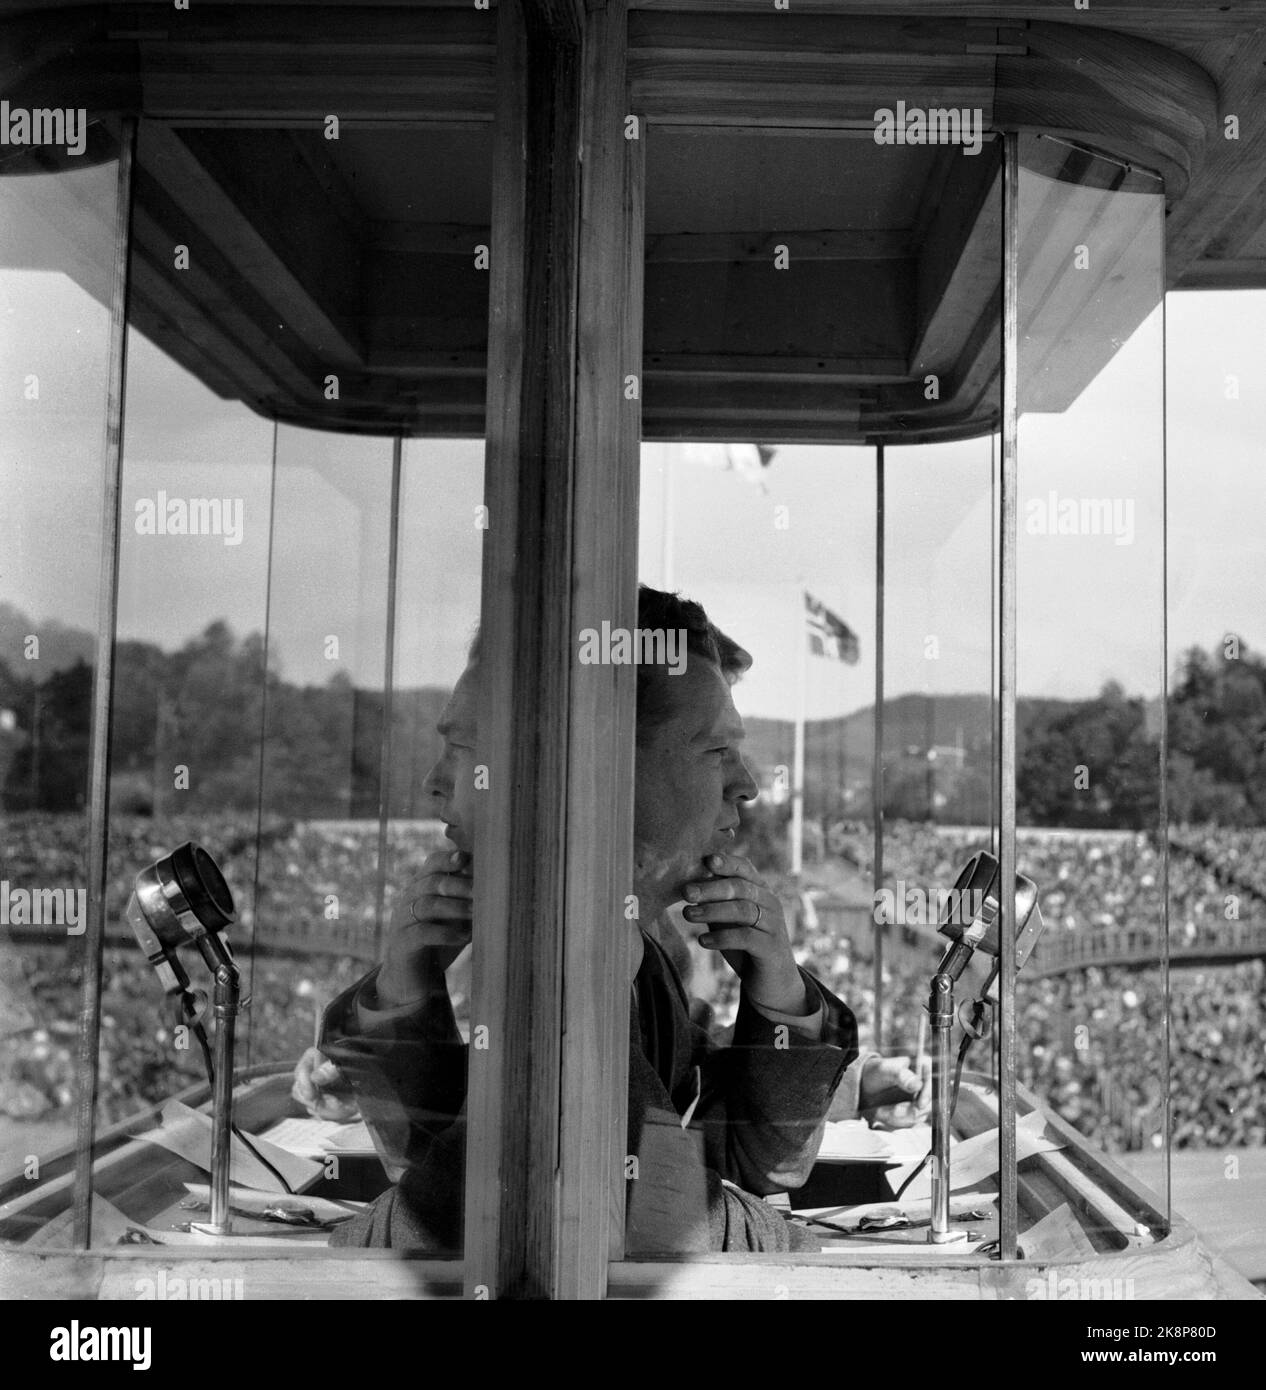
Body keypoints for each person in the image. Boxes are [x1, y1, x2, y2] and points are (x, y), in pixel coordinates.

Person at [294, 586, 924, 1252]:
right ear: (599, 766)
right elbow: (473, 1207)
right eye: (716, 751)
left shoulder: (637, 953)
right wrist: (807, 1255)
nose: (748, 784)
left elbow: (741, 1151)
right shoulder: (565, 955)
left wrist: (782, 995)